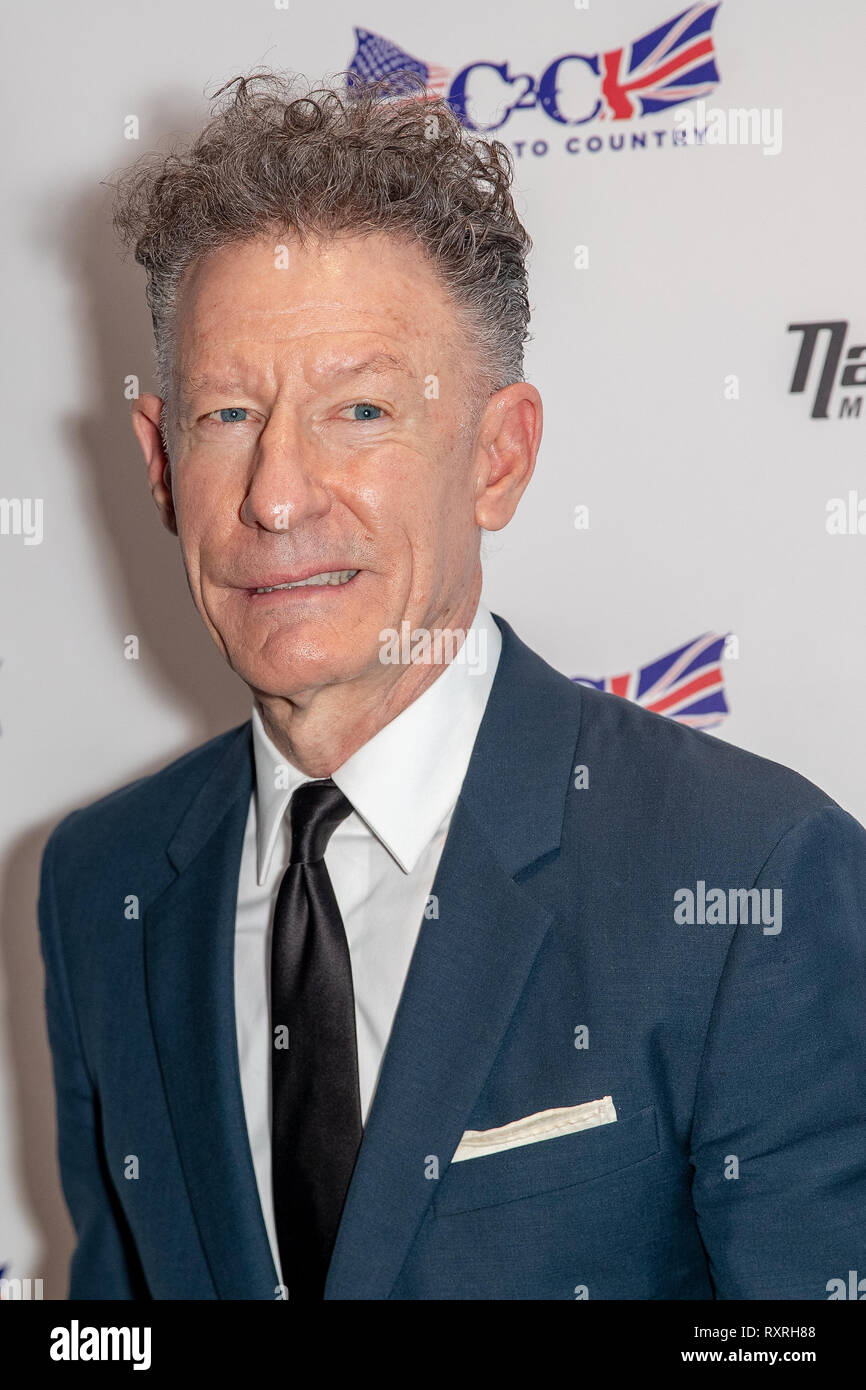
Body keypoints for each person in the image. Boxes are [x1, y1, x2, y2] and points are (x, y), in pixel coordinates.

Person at [38, 72, 866, 1301]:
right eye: (227, 414)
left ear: (498, 456)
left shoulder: (747, 874)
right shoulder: (103, 880)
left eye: (358, 410)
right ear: (160, 463)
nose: (276, 494)